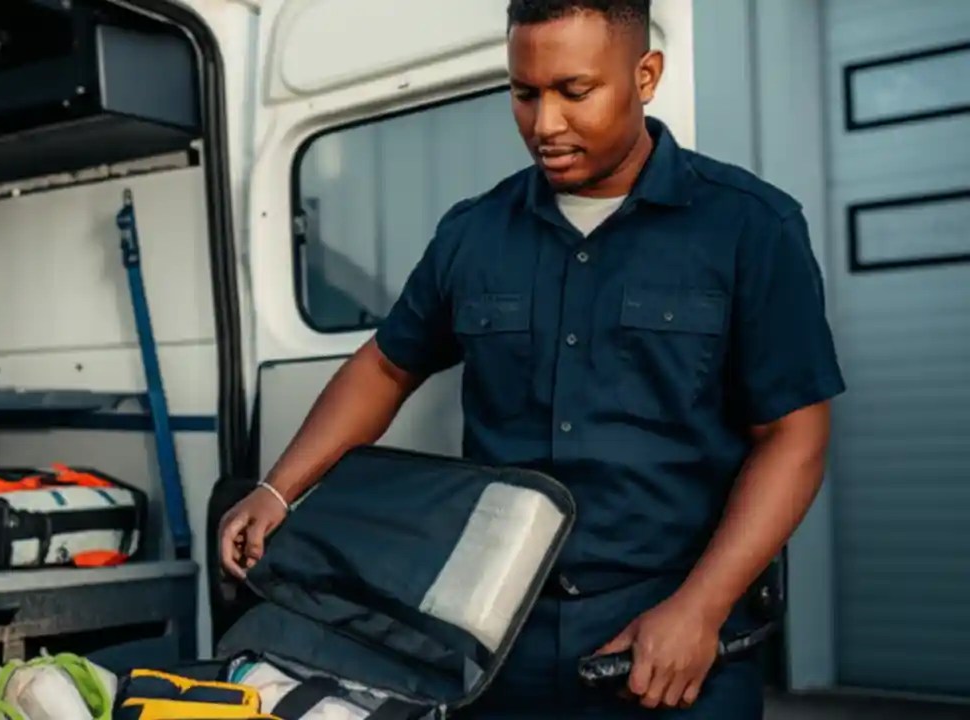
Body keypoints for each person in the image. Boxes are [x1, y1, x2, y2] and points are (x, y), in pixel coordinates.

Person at [218, 0, 845, 716]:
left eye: (575, 92)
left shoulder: (749, 228)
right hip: (490, 636)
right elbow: (386, 366)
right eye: (525, 93)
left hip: (670, 636)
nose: (545, 125)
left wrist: (700, 608)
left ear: (646, 75)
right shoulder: (473, 233)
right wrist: (278, 490)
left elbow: (794, 437)